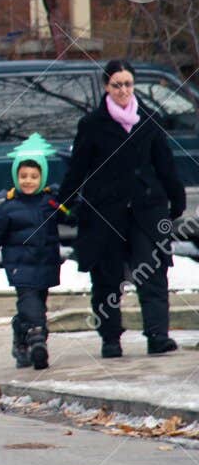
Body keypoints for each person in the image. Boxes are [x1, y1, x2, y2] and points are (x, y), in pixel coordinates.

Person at [58, 60, 185, 359]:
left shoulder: (149, 120)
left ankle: (157, 335)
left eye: (128, 84)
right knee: (107, 276)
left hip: (146, 209)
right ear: (106, 87)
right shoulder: (92, 124)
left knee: (152, 271)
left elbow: (165, 164)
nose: (123, 90)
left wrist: (176, 198)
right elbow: (78, 168)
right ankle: (110, 338)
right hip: (105, 212)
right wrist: (65, 202)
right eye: (117, 85)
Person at [0, 134, 65, 370]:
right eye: (23, 176)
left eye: (34, 177)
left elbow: (74, 217)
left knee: (37, 308)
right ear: (16, 177)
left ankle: (21, 341)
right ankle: (38, 344)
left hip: (46, 265)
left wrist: (68, 196)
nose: (28, 181)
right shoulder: (6, 208)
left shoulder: (51, 203)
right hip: (20, 267)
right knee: (31, 307)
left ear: (42, 177)